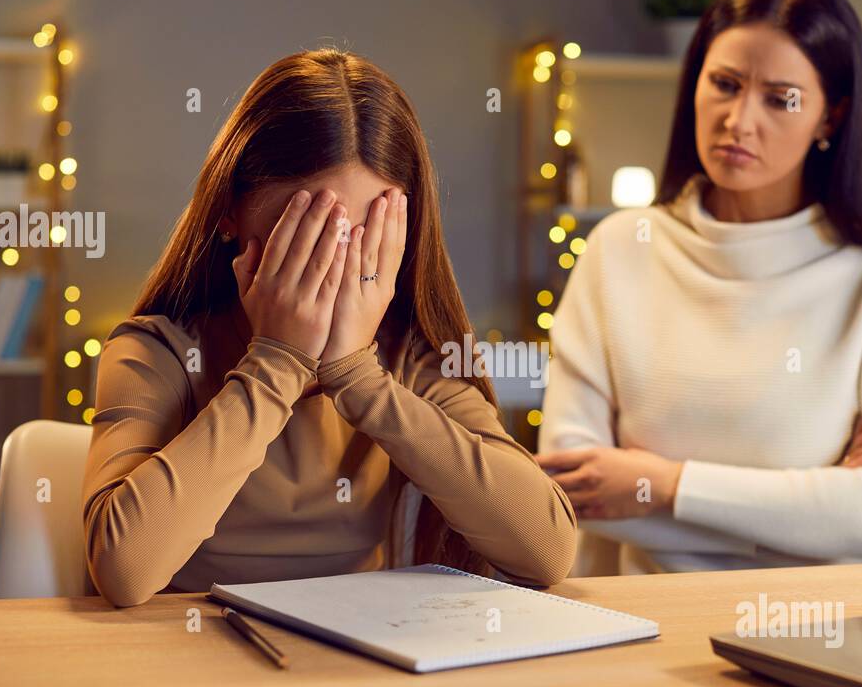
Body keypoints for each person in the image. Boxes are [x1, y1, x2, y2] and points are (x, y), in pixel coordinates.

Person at [83, 49, 576, 606]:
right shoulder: (158, 351)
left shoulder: (411, 357)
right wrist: (276, 361)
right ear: (228, 212)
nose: (332, 270)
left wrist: (359, 376)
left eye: (362, 238)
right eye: (306, 237)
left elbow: (546, 549)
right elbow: (125, 571)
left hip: (357, 661)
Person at [537, 0, 862, 574]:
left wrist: (664, 484)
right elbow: (573, 490)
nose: (739, 120)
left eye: (780, 98)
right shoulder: (619, 249)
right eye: (725, 84)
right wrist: (815, 507)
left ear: (830, 117)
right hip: (657, 621)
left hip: (861, 628)